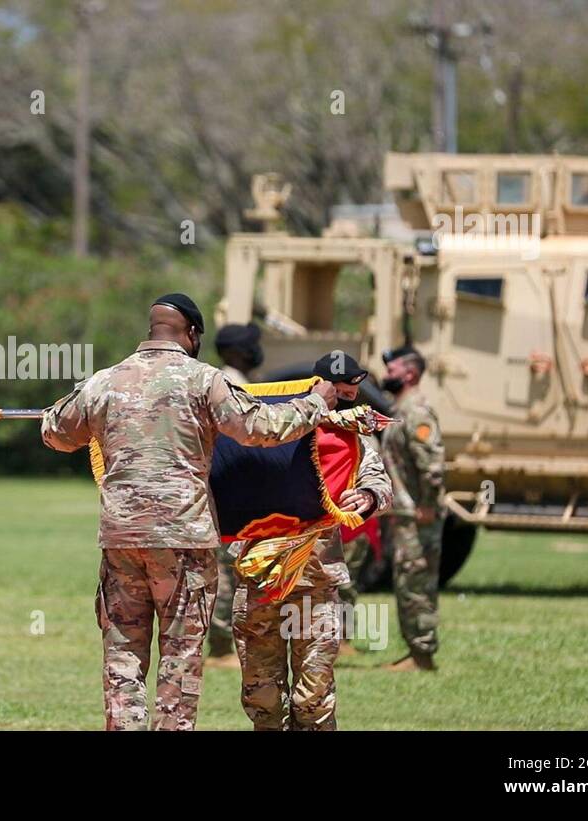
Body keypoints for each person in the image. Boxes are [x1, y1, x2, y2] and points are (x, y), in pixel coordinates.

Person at [40, 293, 335, 731]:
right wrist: (316, 402)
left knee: (122, 654)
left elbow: (55, 433)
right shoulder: (204, 379)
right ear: (192, 334)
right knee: (179, 656)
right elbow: (258, 429)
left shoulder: (103, 381)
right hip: (183, 537)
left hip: (122, 537)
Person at [230, 352, 392, 730]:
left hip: (315, 584)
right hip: (261, 581)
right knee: (263, 698)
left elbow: (381, 485)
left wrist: (368, 496)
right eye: (334, 388)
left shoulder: (349, 436)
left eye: (346, 389)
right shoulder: (269, 427)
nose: (342, 395)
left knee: (313, 700)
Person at [378, 345, 444, 672]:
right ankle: (415, 652)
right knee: (406, 582)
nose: (386, 374)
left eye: (392, 369)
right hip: (404, 514)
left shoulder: (417, 412)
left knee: (417, 584)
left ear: (410, 374)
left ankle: (422, 656)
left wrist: (428, 506)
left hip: (418, 515)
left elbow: (432, 465)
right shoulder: (400, 409)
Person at [208, 325, 265, 667]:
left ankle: (224, 644)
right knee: (225, 571)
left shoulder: (221, 381)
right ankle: (221, 647)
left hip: (224, 491)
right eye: (252, 347)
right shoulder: (232, 387)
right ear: (236, 352)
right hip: (231, 492)